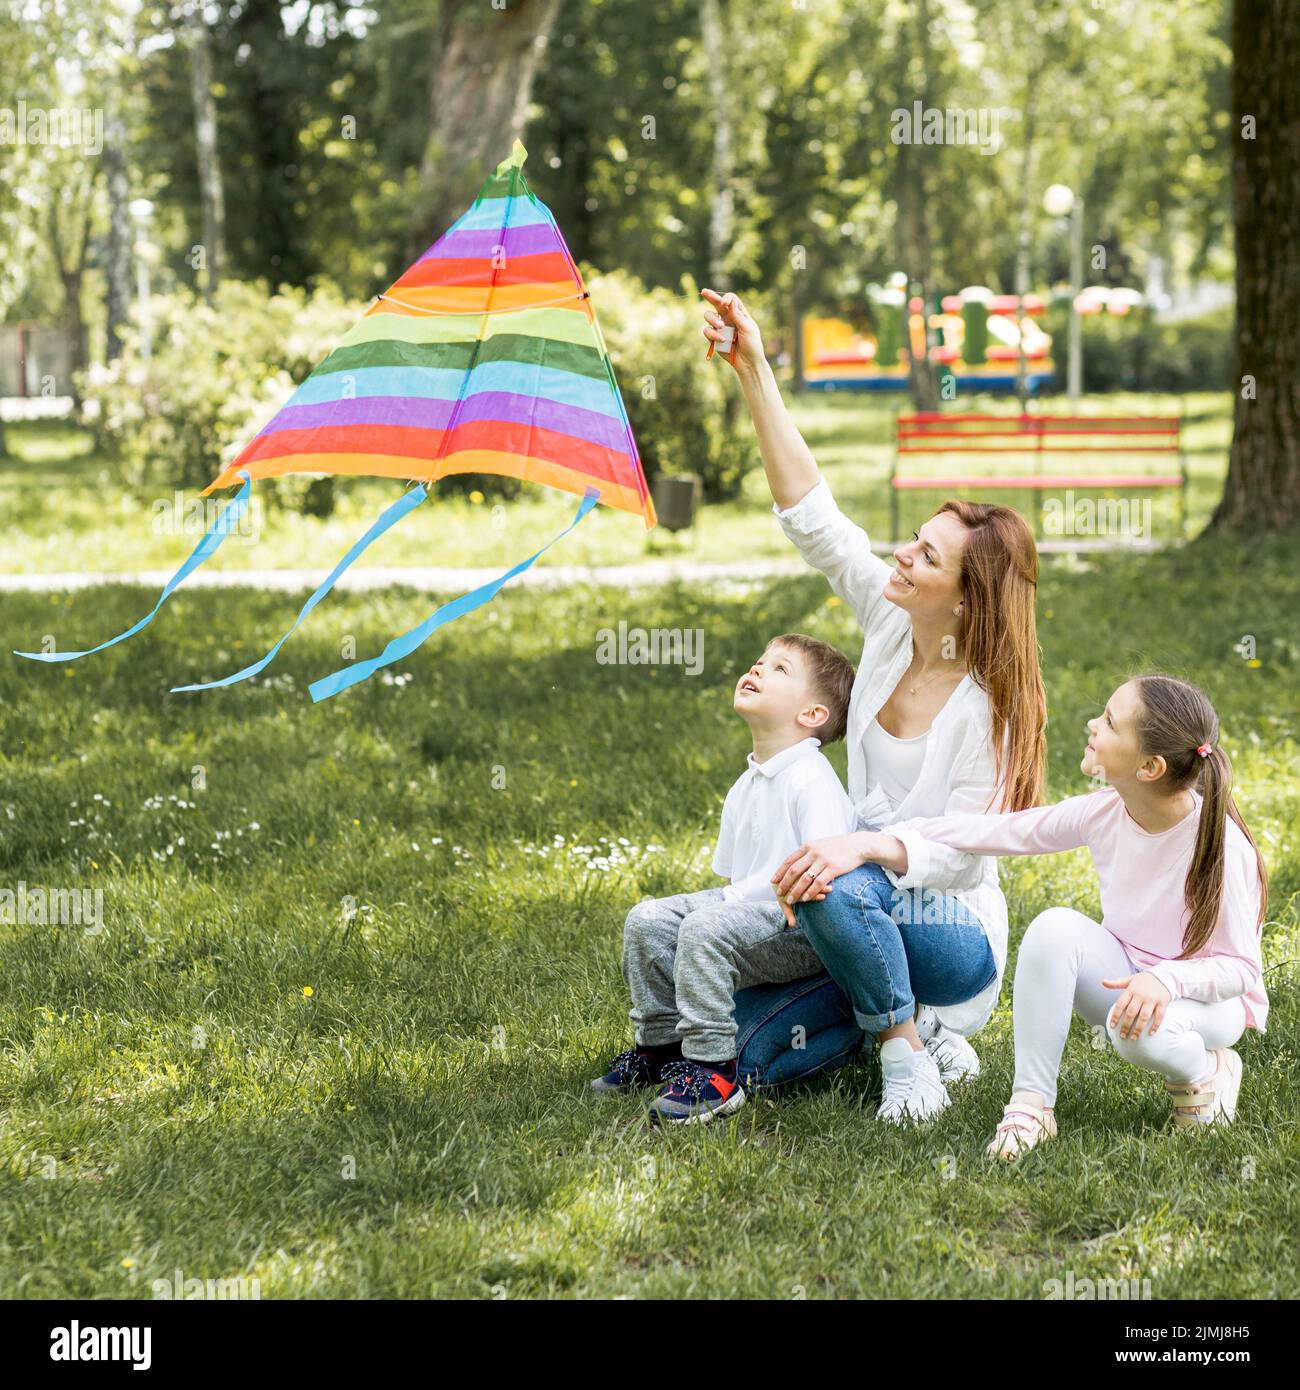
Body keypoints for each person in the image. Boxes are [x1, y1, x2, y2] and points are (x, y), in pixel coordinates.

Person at [701, 286, 1047, 1125]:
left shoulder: (987, 709)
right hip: (851, 908)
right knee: (737, 1043)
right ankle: (897, 1025)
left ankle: (908, 1054)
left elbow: (965, 856)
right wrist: (754, 370)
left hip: (948, 939)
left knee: (837, 881)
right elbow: (814, 520)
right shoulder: (892, 624)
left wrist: (863, 844)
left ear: (964, 601)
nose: (902, 554)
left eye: (926, 555)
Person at [862, 674, 1269, 1158]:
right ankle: (1031, 1106)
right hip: (1126, 981)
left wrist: (1167, 982)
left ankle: (1207, 1072)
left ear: (1149, 766)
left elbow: (1241, 970)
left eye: (1111, 723)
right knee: (1053, 927)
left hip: (1208, 1002)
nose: (1093, 724)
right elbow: (1008, 831)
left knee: (1134, 1031)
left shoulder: (1223, 846)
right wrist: (894, 837)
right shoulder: (1105, 811)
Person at [590, 634, 855, 1124]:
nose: (756, 669)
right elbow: (735, 878)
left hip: (804, 923)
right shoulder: (747, 783)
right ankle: (659, 1046)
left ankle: (713, 1070)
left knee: (705, 929)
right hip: (748, 907)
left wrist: (736, 916)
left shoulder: (810, 778)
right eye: (759, 660)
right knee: (647, 919)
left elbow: (828, 872)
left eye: (779, 669)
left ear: (812, 715)